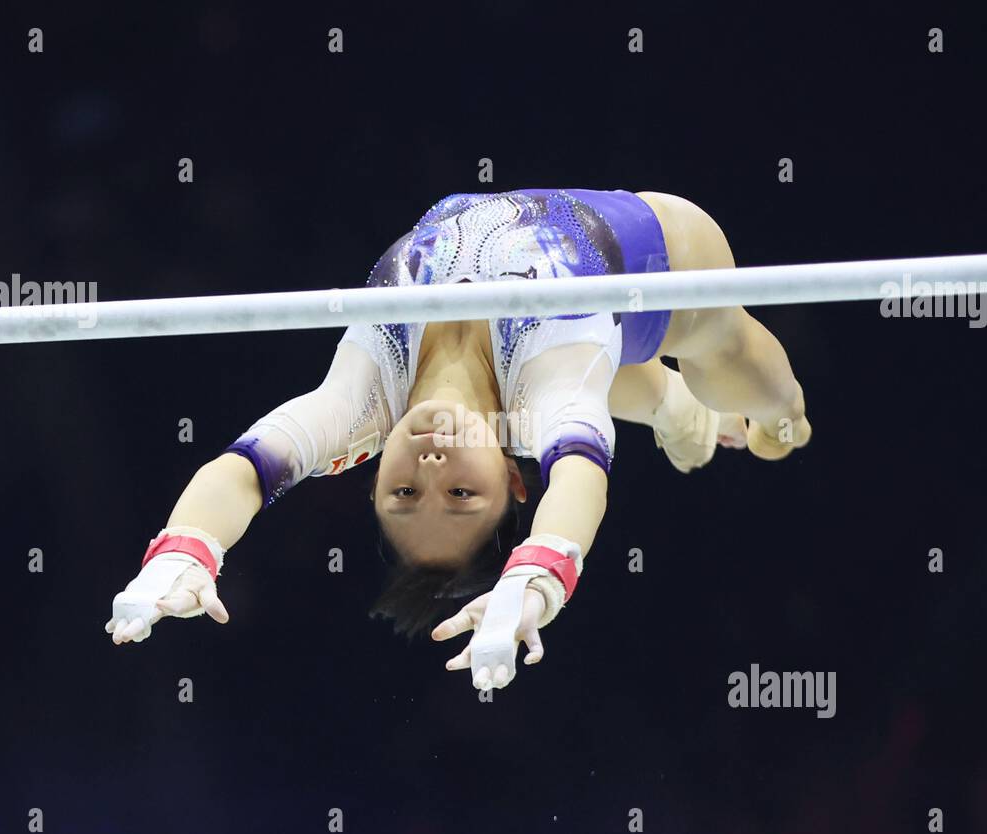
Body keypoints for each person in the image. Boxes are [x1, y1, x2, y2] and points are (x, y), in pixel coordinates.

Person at [105, 188, 810, 690]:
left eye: (406, 491)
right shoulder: (549, 402)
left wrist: (188, 546)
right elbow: (581, 480)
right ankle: (717, 417)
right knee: (767, 408)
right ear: (512, 480)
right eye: (461, 493)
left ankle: (674, 413)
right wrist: (537, 581)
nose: (431, 463)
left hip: (572, 338)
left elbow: (244, 471)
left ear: (371, 470)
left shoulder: (363, 404)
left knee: (621, 382)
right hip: (663, 267)